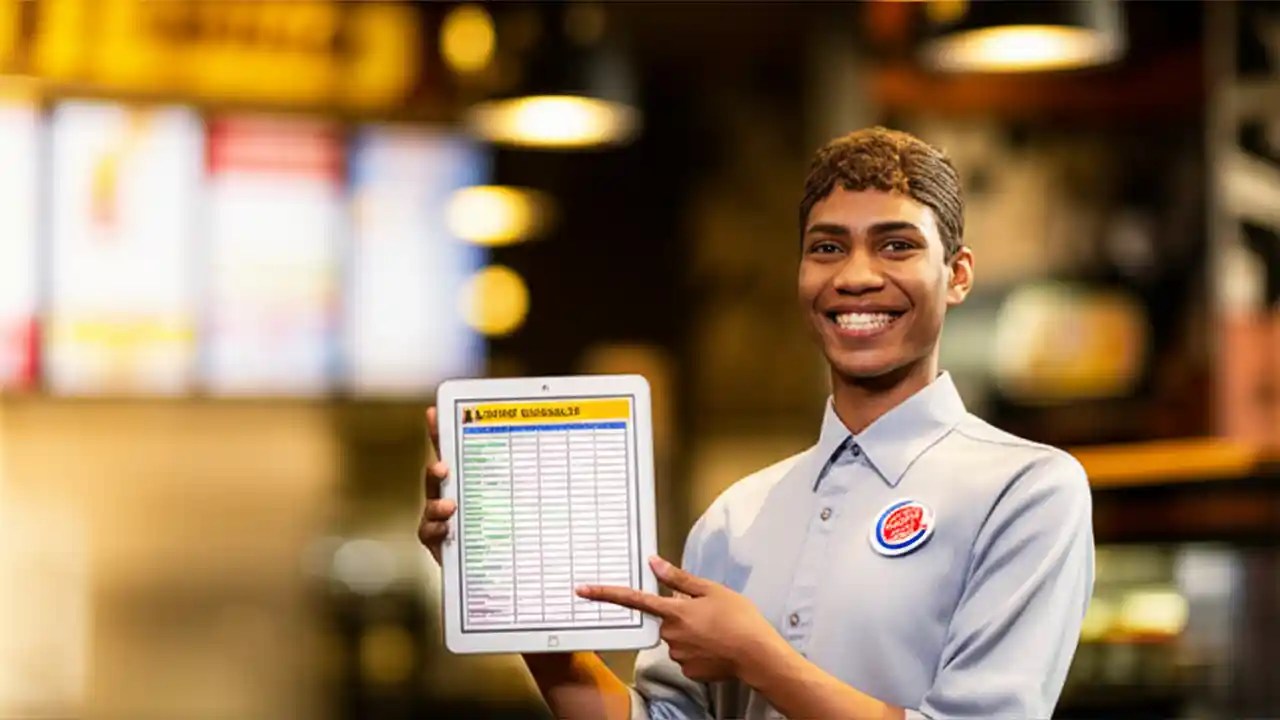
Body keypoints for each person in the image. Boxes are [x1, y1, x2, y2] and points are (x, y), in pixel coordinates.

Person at [418, 127, 1094, 720]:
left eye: (895, 246)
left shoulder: (1028, 491)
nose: (856, 275)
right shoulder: (733, 518)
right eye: (827, 248)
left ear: (958, 275)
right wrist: (506, 585)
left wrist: (756, 655)